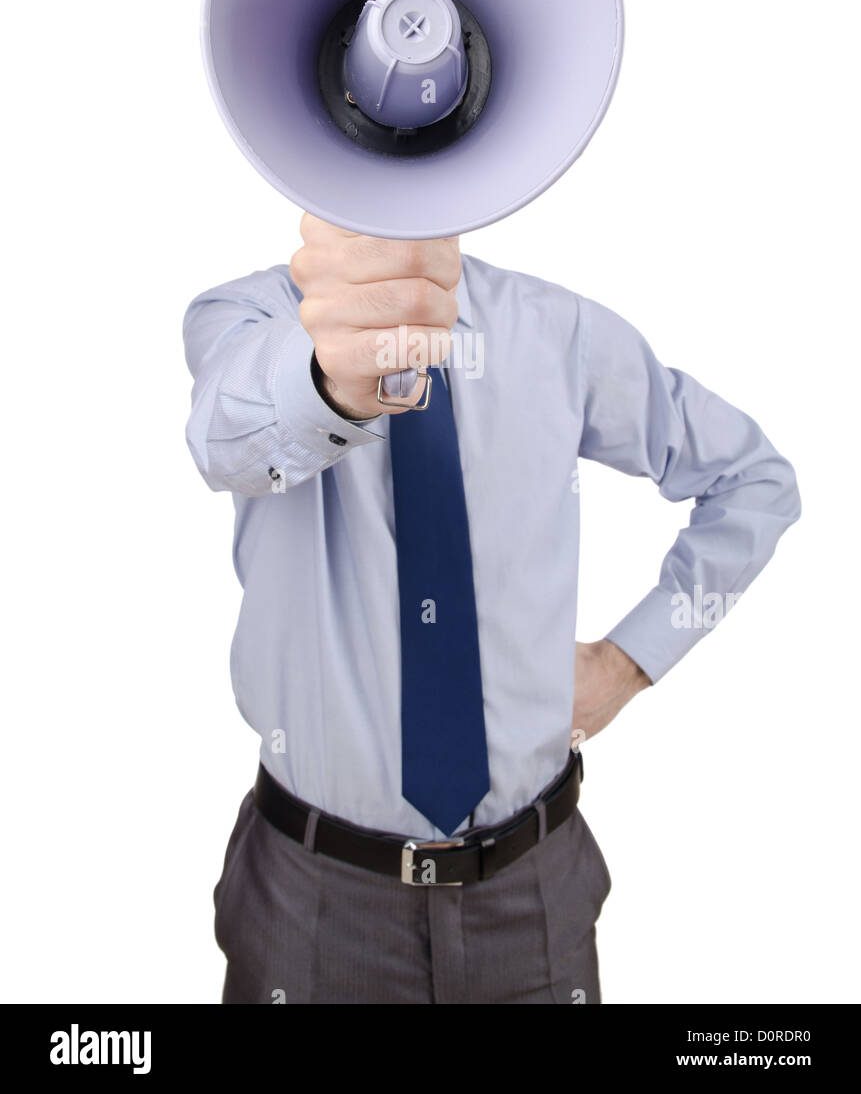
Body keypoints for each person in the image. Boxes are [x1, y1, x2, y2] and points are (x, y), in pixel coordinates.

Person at [182, 214, 800, 1005]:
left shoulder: (558, 331)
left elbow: (753, 478)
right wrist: (331, 379)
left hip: (531, 893)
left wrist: (629, 660)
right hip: (312, 904)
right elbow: (225, 444)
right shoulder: (246, 320)